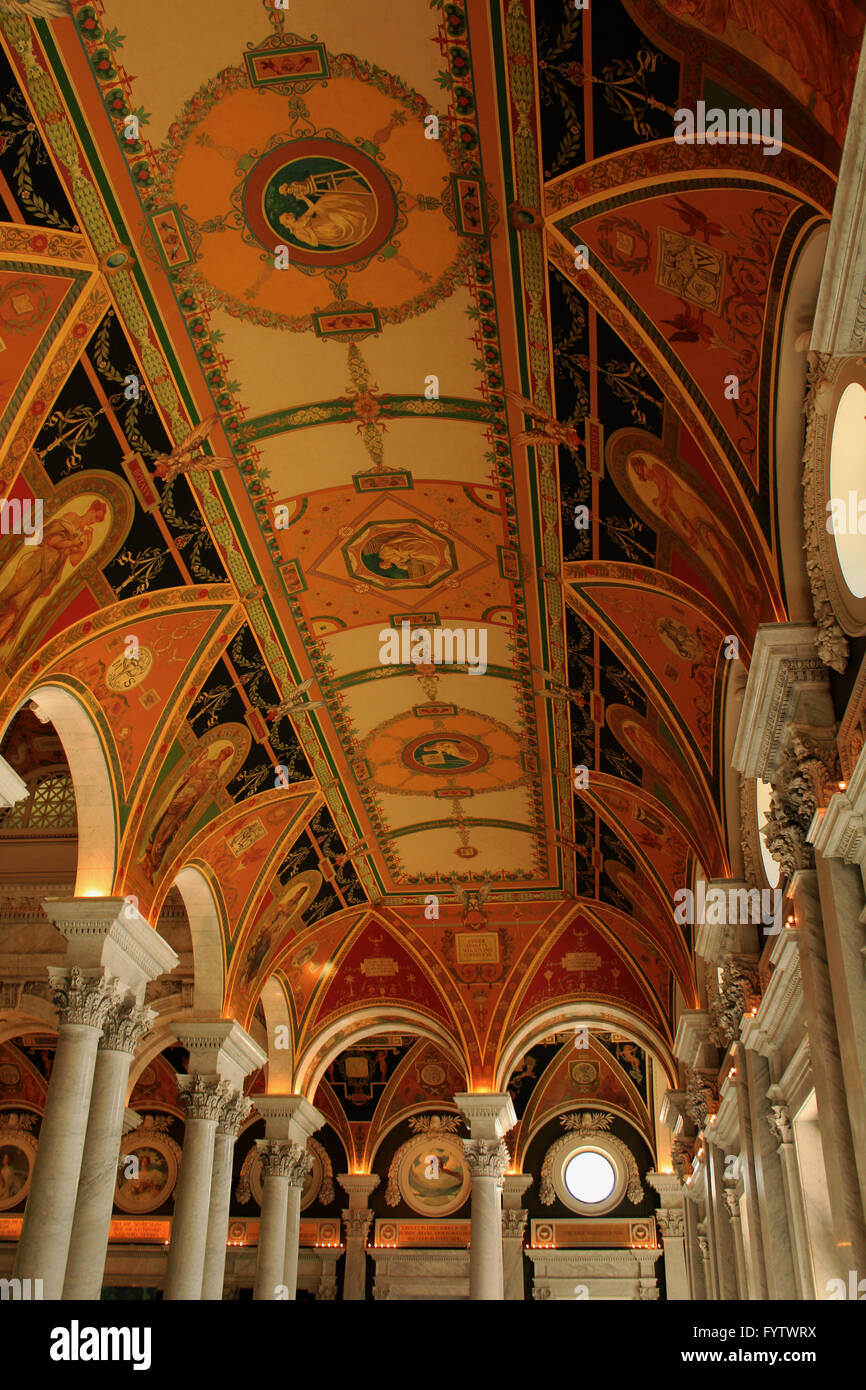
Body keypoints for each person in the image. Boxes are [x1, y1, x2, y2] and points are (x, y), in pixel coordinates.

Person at [0, 499, 107, 647]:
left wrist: (84, 547)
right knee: (11, 590)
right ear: (91, 510)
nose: (94, 521)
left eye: (97, 520)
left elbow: (74, 561)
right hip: (41, 558)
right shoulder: (71, 518)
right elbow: (52, 541)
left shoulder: (86, 533)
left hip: (52, 570)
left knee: (21, 603)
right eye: (95, 517)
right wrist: (73, 543)